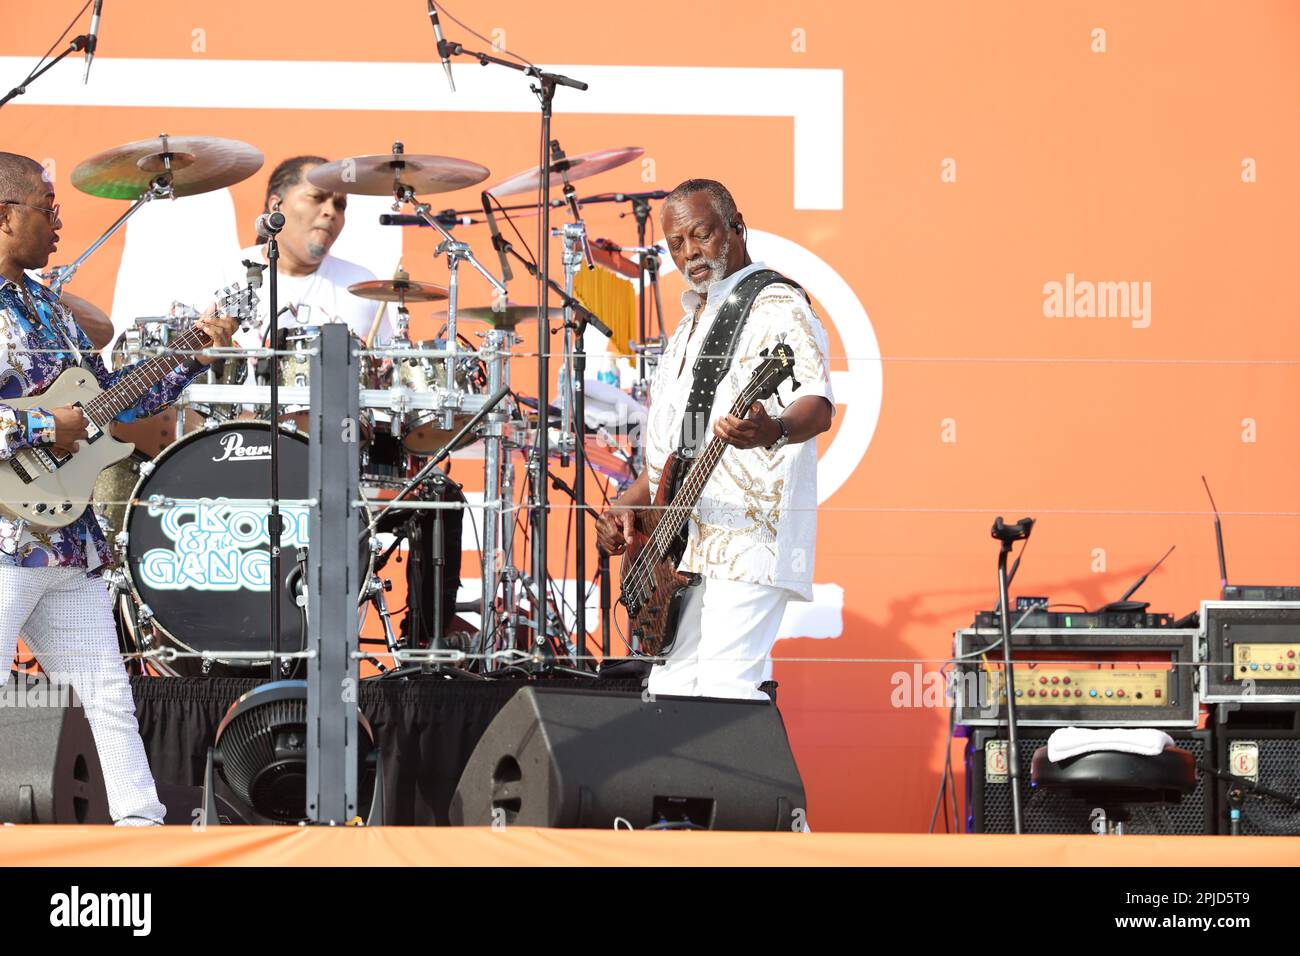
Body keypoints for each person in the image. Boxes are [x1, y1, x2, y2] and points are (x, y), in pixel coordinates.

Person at [0, 152, 239, 825]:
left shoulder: (49, 308)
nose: (58, 219)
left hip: (66, 542)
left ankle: (141, 828)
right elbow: (60, 419)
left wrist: (190, 354)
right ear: (5, 214)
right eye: (47, 206)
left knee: (107, 694)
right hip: (6, 535)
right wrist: (50, 423)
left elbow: (109, 403)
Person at [595, 179, 835, 701]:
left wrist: (773, 429)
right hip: (680, 548)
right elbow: (670, 461)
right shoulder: (688, 326)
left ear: (736, 226)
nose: (689, 253)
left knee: (725, 693)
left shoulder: (775, 303)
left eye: (700, 235)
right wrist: (624, 508)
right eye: (676, 245)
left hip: (747, 537)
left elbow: (816, 406)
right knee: (670, 695)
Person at [219, 155, 393, 352]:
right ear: (276, 205)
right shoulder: (229, 274)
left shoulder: (362, 285)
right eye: (317, 197)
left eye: (340, 205)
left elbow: (387, 371)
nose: (330, 211)